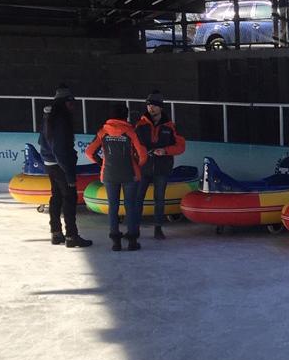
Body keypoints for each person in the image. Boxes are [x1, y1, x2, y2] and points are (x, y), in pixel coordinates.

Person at [86, 104, 148, 251]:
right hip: (129, 174)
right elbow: (143, 154)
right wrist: (137, 165)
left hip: (109, 174)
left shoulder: (102, 132)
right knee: (130, 206)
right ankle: (132, 241)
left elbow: (89, 152)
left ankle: (115, 241)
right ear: (125, 116)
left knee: (113, 207)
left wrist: (101, 163)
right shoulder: (131, 132)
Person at [39, 87, 92, 248]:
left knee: (56, 196)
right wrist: (69, 174)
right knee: (69, 198)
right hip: (60, 165)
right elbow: (60, 149)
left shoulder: (49, 116)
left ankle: (56, 233)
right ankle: (71, 235)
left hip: (50, 164)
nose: (73, 106)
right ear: (64, 103)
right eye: (70, 102)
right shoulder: (61, 120)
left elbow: (42, 141)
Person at [134, 91, 186, 240]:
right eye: (149, 105)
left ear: (161, 107)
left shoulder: (170, 126)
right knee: (138, 199)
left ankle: (158, 228)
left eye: (154, 105)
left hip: (162, 168)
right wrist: (143, 152)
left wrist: (165, 151)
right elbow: (134, 144)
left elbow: (181, 146)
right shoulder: (140, 124)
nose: (151, 108)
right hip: (143, 167)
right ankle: (134, 228)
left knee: (159, 199)